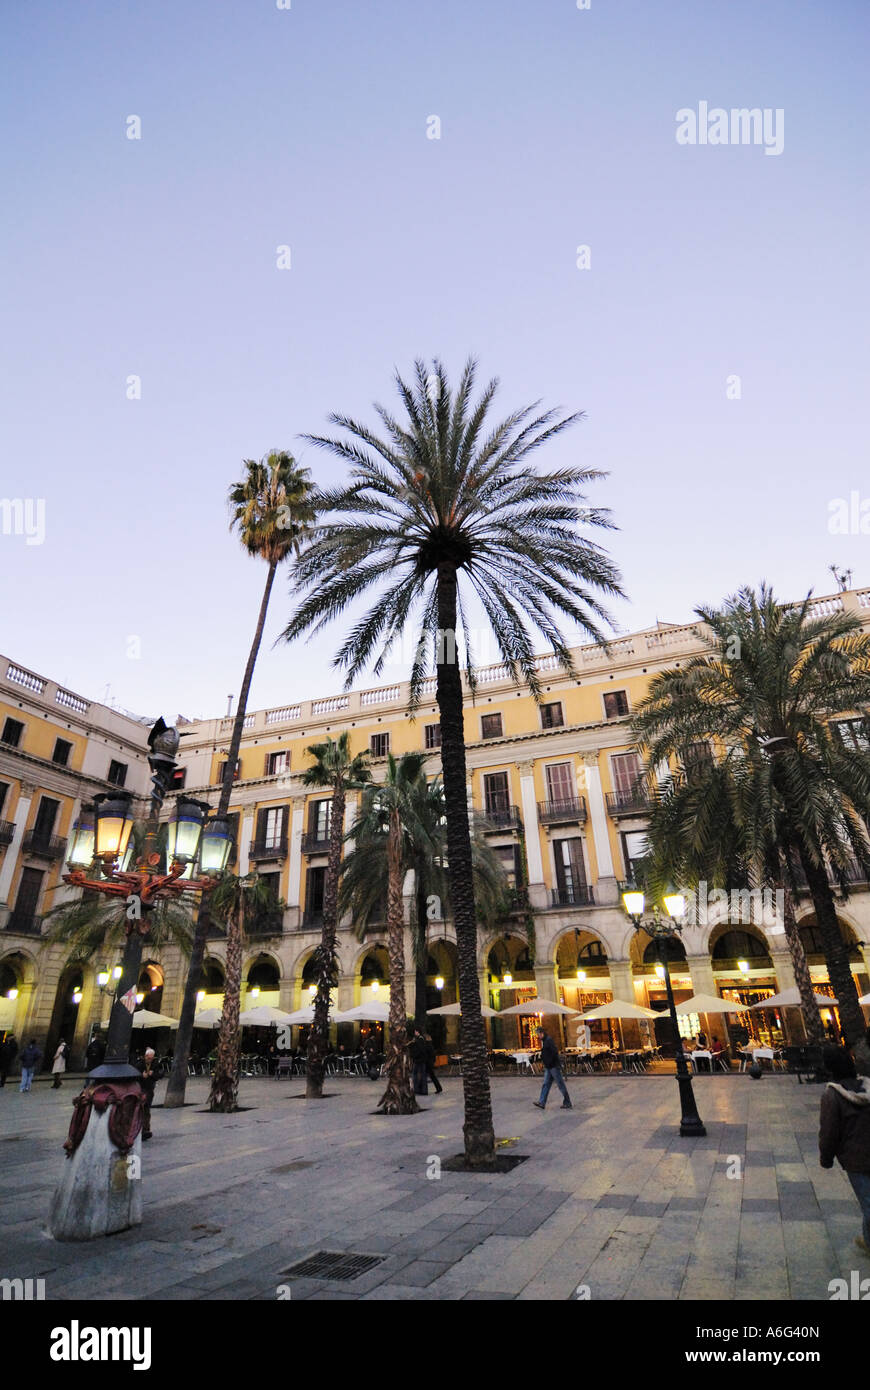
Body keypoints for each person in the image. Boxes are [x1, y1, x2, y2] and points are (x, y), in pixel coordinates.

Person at [818, 1046, 870, 1256]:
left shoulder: (832, 1096)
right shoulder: (867, 1086)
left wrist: (826, 1157)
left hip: (855, 1158)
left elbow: (829, 1131)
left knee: (867, 1201)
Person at [533, 1027, 572, 1110]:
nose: (538, 1036)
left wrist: (550, 1062)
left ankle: (567, 1102)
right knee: (546, 1084)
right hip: (549, 1067)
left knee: (560, 1084)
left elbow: (554, 1052)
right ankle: (542, 1102)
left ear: (541, 1033)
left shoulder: (548, 1040)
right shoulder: (545, 1041)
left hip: (553, 1066)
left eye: (538, 1034)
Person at [138, 1047, 158, 1140]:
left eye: (152, 1058)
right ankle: (139, 1128)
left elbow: (159, 1074)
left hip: (149, 1089)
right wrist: (141, 1076)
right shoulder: (139, 1064)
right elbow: (135, 1075)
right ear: (145, 1056)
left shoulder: (155, 1064)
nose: (150, 1060)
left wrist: (152, 1075)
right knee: (140, 1109)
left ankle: (145, 1129)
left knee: (147, 1109)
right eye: (149, 1058)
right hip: (141, 1088)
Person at [408, 1029, 429, 1096]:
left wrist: (413, 1056)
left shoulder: (420, 1040)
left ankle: (417, 1090)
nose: (414, 1033)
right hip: (421, 1060)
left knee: (415, 1074)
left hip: (418, 1060)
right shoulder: (421, 1039)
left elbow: (419, 1050)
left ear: (418, 1032)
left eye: (415, 1031)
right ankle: (422, 1090)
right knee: (421, 1075)